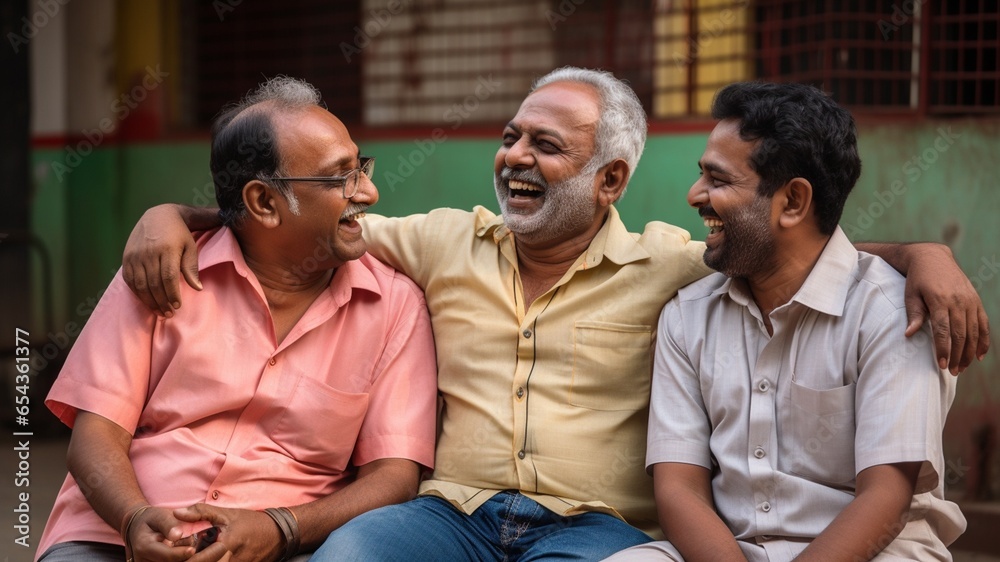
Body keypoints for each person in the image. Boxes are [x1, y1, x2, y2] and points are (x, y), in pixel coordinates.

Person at [120, 68, 989, 561]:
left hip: (594, 530)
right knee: (348, 559)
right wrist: (176, 216)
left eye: (545, 145)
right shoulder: (439, 240)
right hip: (446, 514)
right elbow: (305, 211)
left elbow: (798, 249)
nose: (513, 158)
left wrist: (922, 256)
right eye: (509, 136)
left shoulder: (680, 270)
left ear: (610, 179)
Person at [36, 77, 438, 562]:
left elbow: (393, 476)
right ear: (264, 203)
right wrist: (135, 519)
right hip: (113, 536)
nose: (369, 192)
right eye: (340, 177)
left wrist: (280, 528)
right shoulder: (159, 271)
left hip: (289, 549)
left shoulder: (393, 306)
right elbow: (94, 437)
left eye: (362, 168)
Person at [605, 82, 965, 562]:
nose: (695, 195)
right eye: (701, 175)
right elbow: (680, 489)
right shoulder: (688, 315)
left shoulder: (891, 313)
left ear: (793, 202)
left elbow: (886, 499)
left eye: (719, 180)